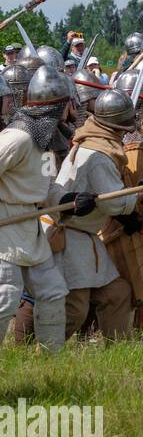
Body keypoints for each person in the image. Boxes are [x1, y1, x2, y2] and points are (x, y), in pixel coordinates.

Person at [50, 89, 143, 341]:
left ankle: (117, 347)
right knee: (75, 308)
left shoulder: (89, 141)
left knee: (116, 293)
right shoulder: (98, 155)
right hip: (71, 238)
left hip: (85, 237)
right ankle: (46, 350)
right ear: (118, 126)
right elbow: (113, 202)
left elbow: (104, 195)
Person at [0, 66, 71, 352]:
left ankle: (52, 358)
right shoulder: (17, 139)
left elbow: (45, 187)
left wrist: (70, 200)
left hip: (29, 227)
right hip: (6, 224)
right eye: (68, 103)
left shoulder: (45, 140)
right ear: (57, 105)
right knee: (6, 295)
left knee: (53, 291)